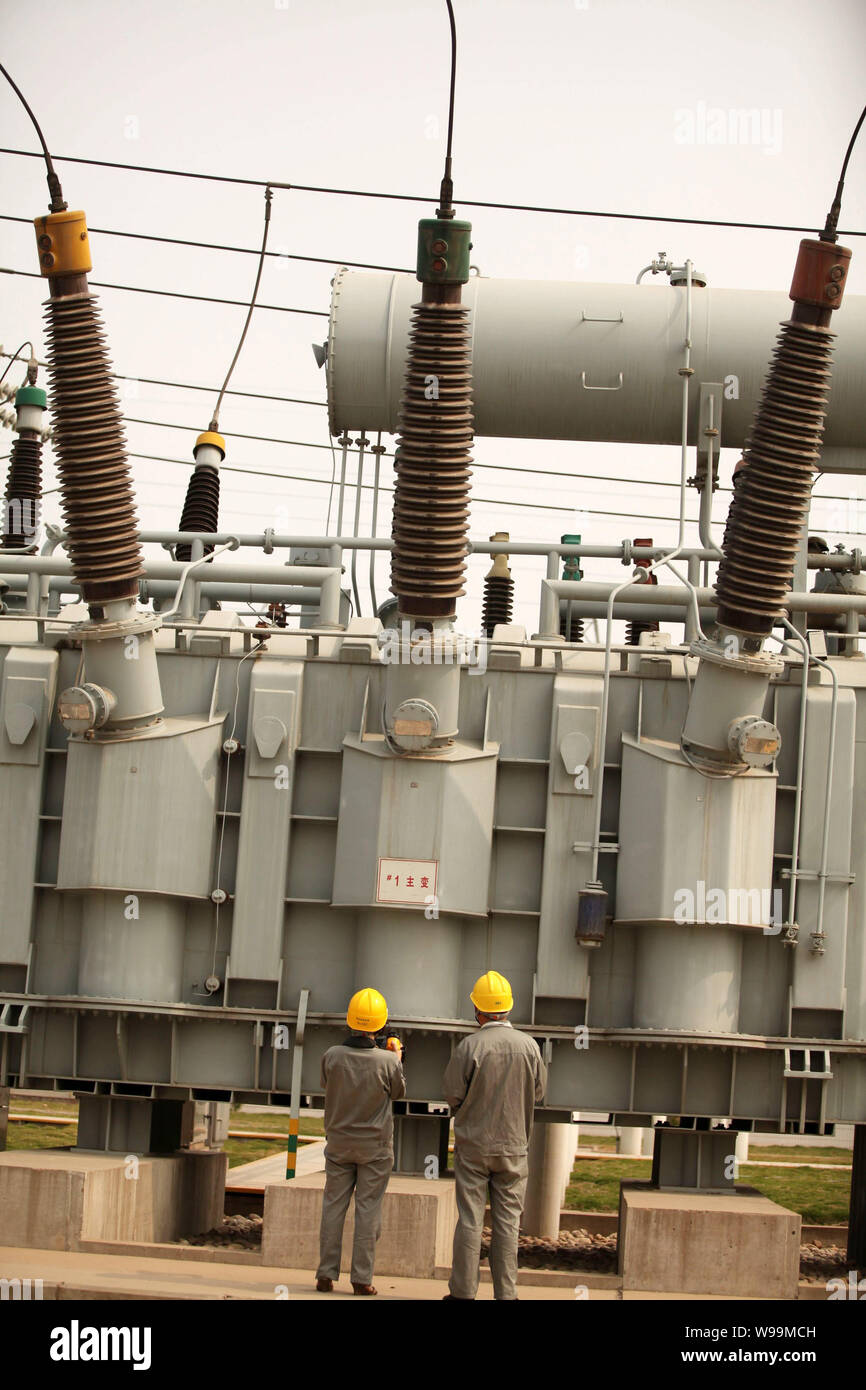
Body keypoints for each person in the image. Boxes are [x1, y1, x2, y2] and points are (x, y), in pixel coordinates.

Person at [443, 970, 547, 1301]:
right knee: (507, 1223)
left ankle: (462, 1293)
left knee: (470, 1220)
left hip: (473, 1147)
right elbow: (540, 1092)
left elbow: (452, 1095)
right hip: (514, 1147)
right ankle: (507, 1294)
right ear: (508, 1008)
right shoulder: (529, 1046)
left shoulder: (468, 1047)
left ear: (478, 1009)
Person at [316, 986, 405, 1296]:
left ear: (350, 1021)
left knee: (333, 1207)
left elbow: (327, 1083)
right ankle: (361, 1279)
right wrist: (396, 1056)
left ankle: (326, 1274)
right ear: (380, 1025)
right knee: (367, 1210)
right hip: (375, 1148)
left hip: (339, 1143)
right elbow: (398, 1092)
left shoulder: (331, 1056)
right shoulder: (388, 1062)